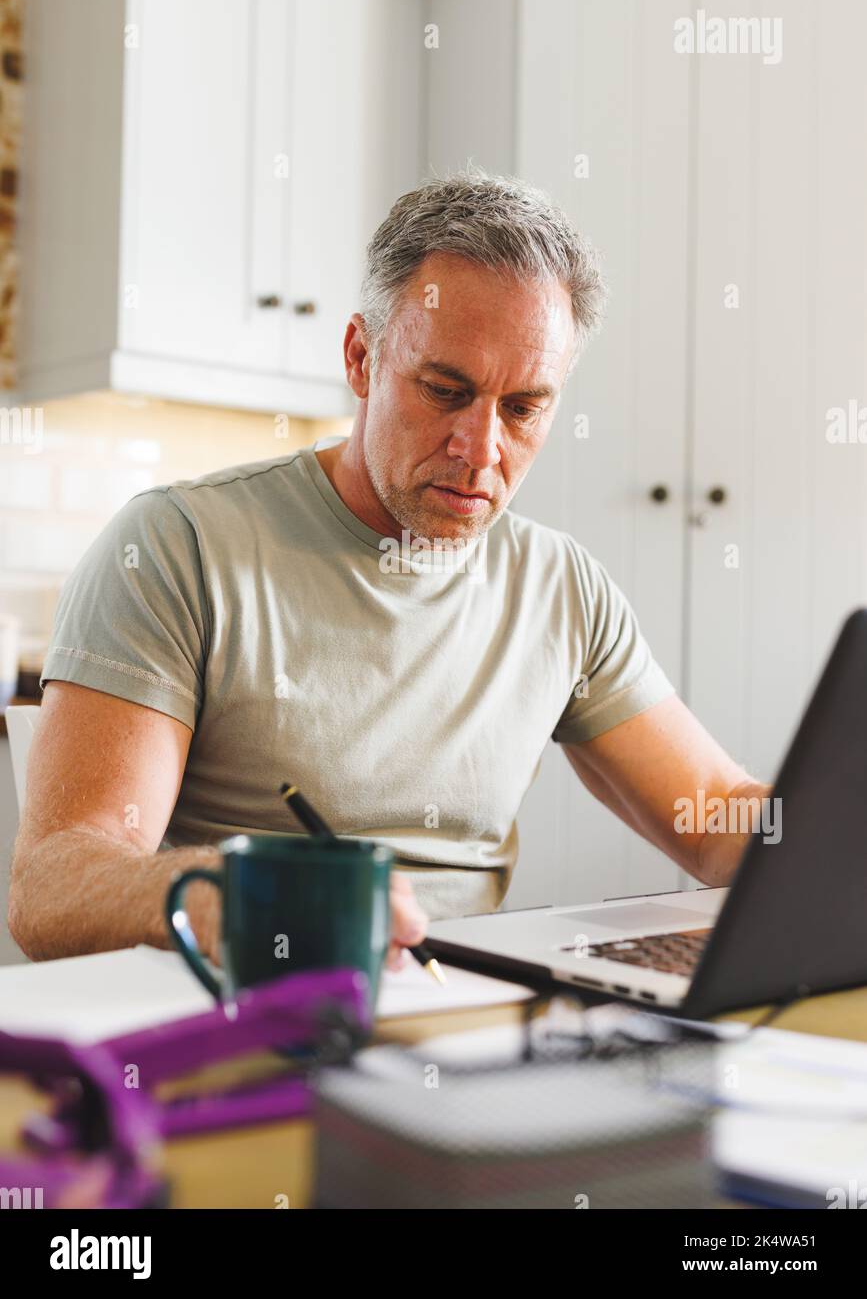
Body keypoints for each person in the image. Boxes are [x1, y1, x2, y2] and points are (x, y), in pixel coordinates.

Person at [9, 168, 767, 970]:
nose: (481, 451)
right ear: (362, 358)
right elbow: (52, 890)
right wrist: (230, 893)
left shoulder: (560, 588)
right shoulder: (177, 547)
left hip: (473, 1010)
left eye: (522, 409)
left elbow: (714, 813)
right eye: (445, 390)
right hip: (256, 1007)